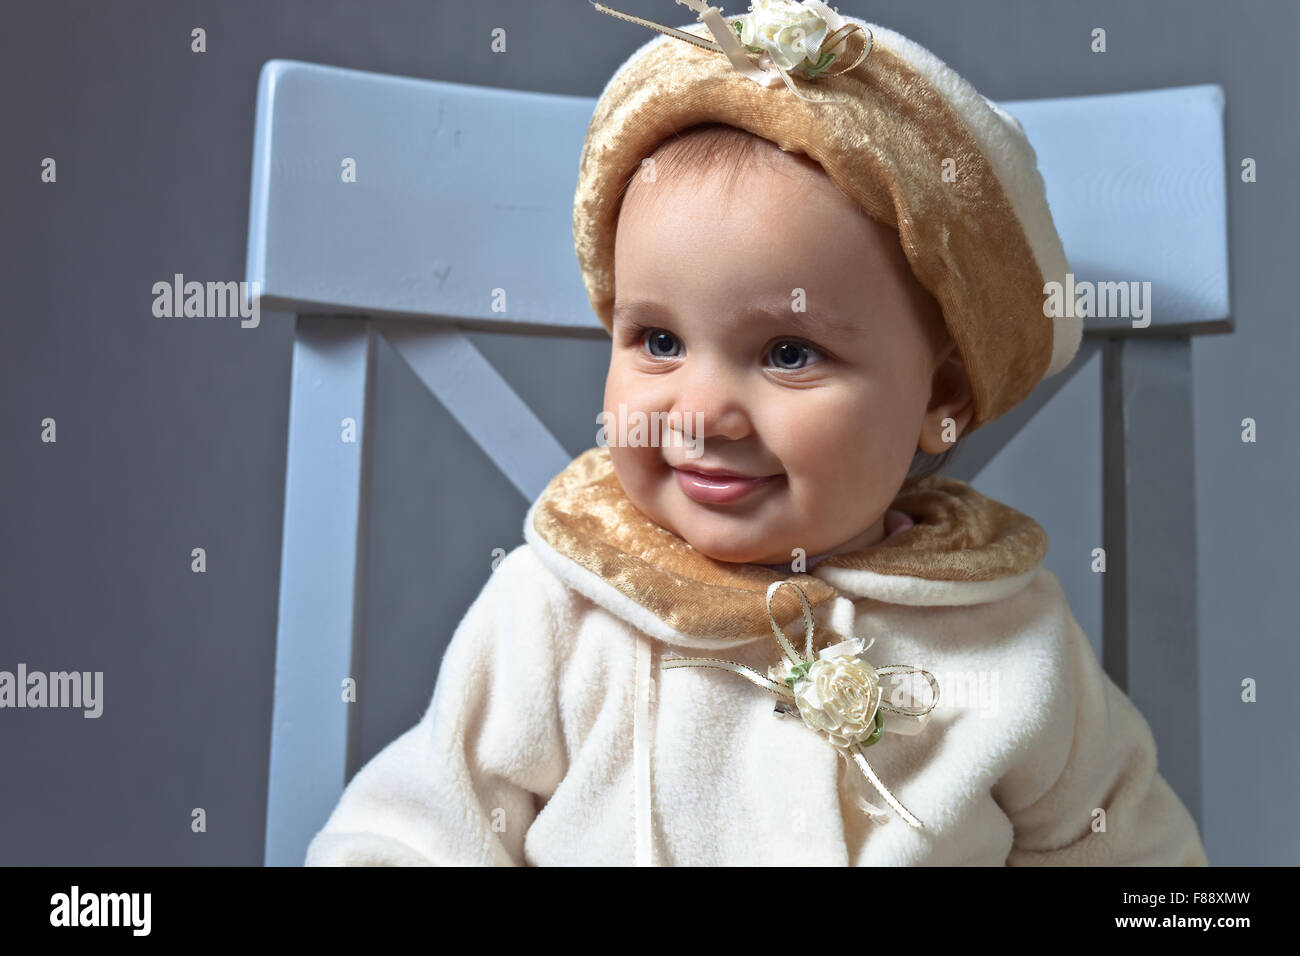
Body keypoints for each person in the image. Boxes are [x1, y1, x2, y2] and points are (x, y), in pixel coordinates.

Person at [304, 0, 1209, 866]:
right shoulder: (558, 613)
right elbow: (409, 839)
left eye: (788, 353)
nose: (701, 412)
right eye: (659, 341)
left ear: (941, 392)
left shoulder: (1007, 639)